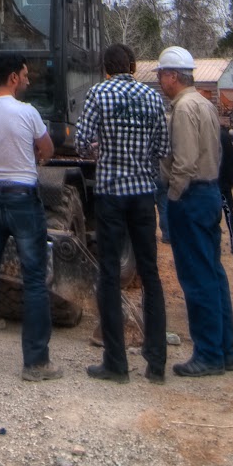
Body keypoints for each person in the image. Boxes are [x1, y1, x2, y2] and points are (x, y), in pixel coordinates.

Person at [0, 52, 62, 381]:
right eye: (25, 74)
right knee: (34, 280)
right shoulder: (28, 112)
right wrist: (33, 154)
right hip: (22, 199)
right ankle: (35, 363)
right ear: (14, 78)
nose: (30, 80)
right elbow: (46, 149)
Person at [76, 43, 169, 384]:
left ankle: (115, 363)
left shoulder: (98, 94)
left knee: (110, 276)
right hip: (144, 195)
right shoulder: (151, 96)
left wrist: (103, 150)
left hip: (111, 195)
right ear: (131, 65)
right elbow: (163, 148)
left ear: (105, 67)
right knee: (151, 276)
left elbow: (83, 143)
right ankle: (156, 363)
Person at [156, 46, 233, 378]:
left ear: (172, 76)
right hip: (208, 192)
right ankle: (225, 350)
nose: (160, 81)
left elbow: (185, 163)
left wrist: (173, 197)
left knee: (197, 278)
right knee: (214, 274)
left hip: (190, 196)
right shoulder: (204, 104)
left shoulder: (183, 109)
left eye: (162, 74)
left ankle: (208, 355)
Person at [218, 113, 233, 255]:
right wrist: (231, 180)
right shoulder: (226, 137)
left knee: (215, 215)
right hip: (225, 182)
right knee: (229, 213)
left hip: (215, 182)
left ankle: (216, 246)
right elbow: (231, 160)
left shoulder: (212, 137)